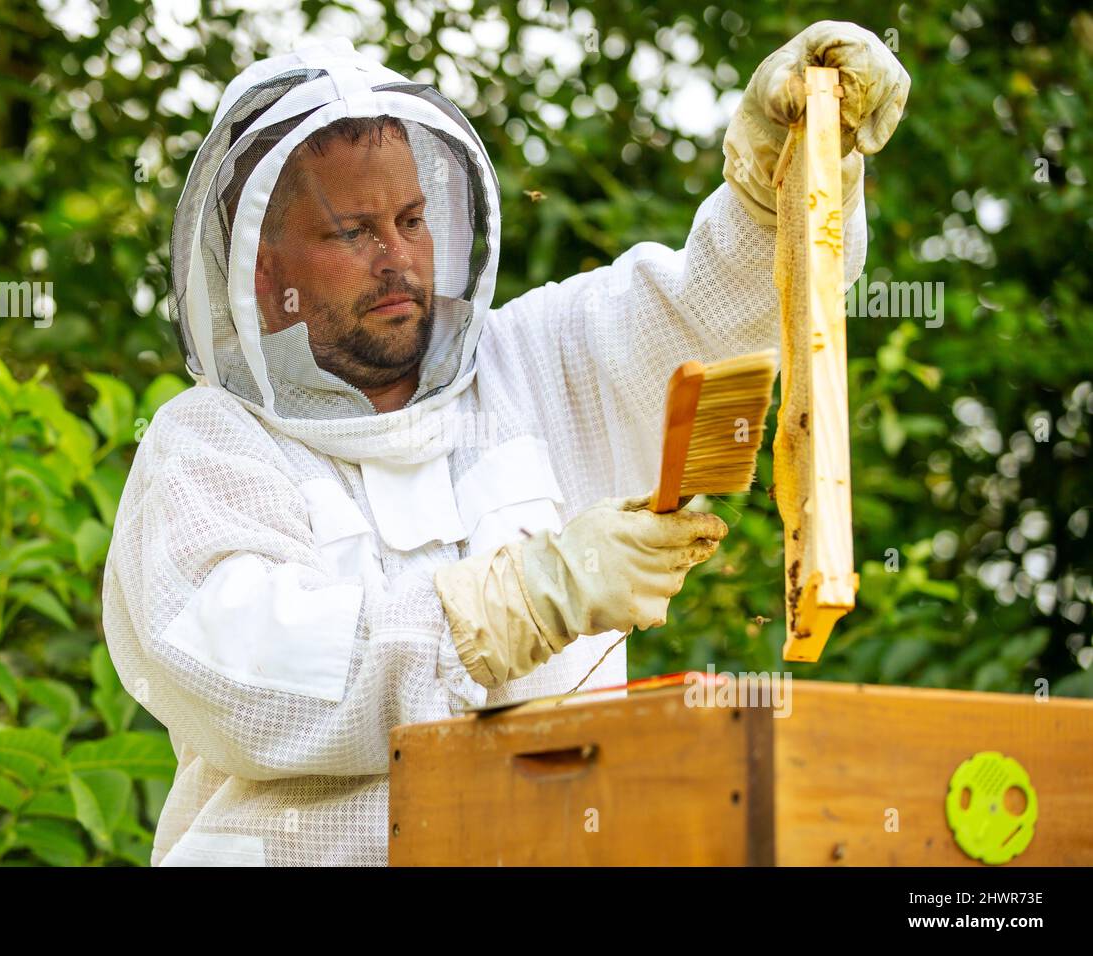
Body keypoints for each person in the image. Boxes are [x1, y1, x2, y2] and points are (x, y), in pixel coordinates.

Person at [101, 23, 909, 866]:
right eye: (353, 230)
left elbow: (721, 310)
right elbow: (251, 681)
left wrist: (781, 171)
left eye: (413, 218)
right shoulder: (207, 446)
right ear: (264, 271)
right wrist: (518, 601)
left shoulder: (531, 363)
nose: (398, 257)